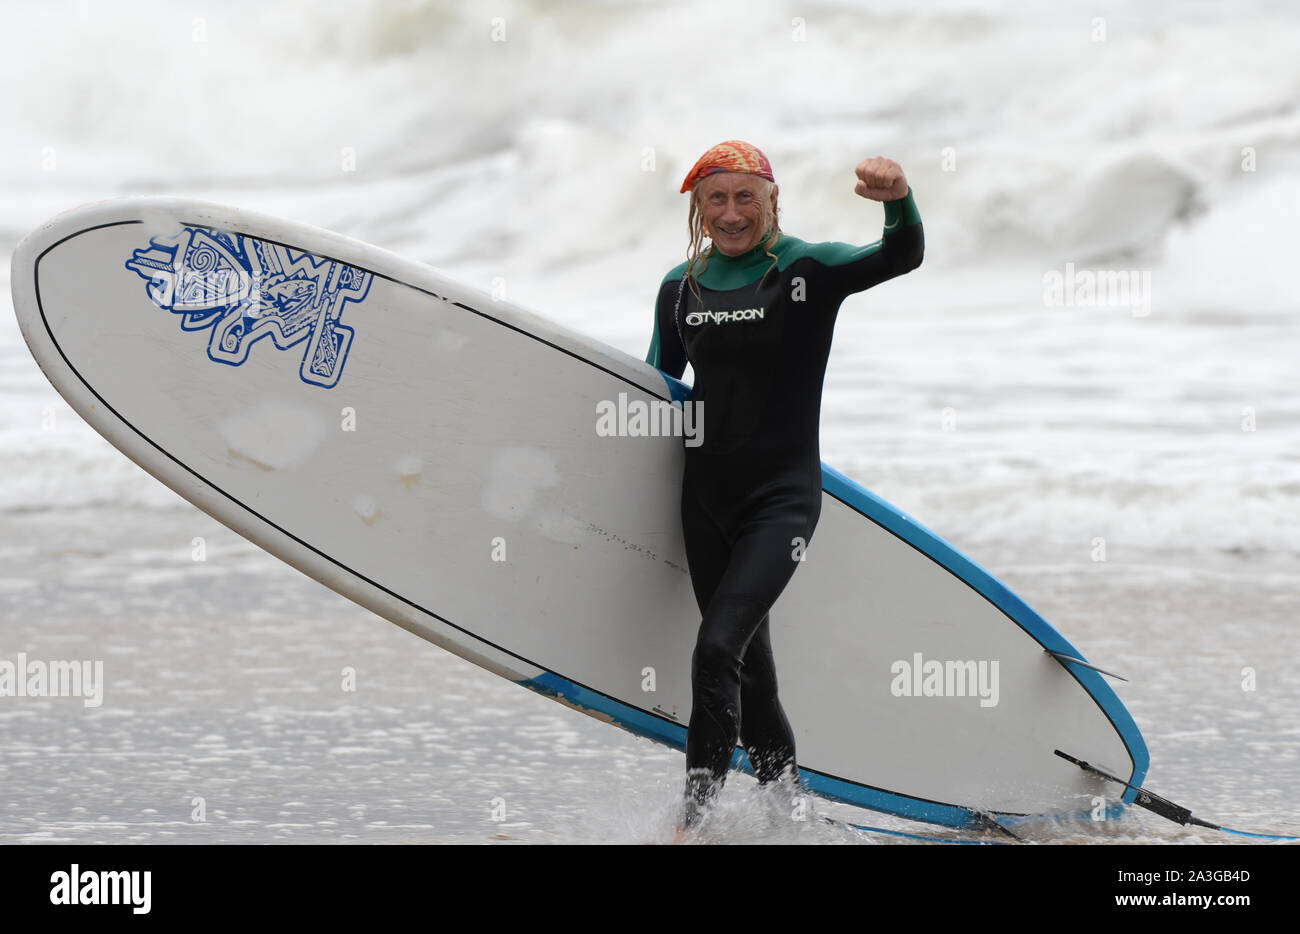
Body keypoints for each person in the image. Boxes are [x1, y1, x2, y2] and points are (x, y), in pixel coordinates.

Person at [645, 140, 924, 834]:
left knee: (716, 648)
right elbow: (657, 390)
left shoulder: (806, 268)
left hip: (781, 500)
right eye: (717, 198)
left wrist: (898, 203)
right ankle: (790, 817)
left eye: (746, 196)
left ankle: (693, 825)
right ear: (697, 208)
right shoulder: (682, 286)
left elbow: (899, 257)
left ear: (773, 199)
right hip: (704, 501)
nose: (732, 212)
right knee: (749, 674)